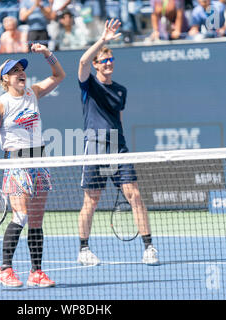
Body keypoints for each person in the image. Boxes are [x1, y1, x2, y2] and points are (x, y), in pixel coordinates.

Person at [0, 43, 65, 287]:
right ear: (5, 79)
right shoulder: (0, 105)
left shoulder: (33, 93)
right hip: (16, 163)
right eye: (14, 70)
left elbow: (59, 75)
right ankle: (5, 269)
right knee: (21, 216)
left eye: (21, 69)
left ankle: (36, 272)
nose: (20, 73)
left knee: (36, 220)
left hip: (39, 161)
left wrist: (47, 54)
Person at [77, 19, 159, 266]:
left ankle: (149, 247)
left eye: (111, 59)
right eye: (104, 60)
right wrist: (102, 39)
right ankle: (83, 250)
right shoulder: (88, 85)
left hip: (118, 148)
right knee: (91, 201)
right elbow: (81, 62)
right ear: (96, 65)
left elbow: (118, 118)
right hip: (95, 147)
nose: (109, 63)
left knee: (134, 195)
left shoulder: (121, 90)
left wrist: (120, 144)